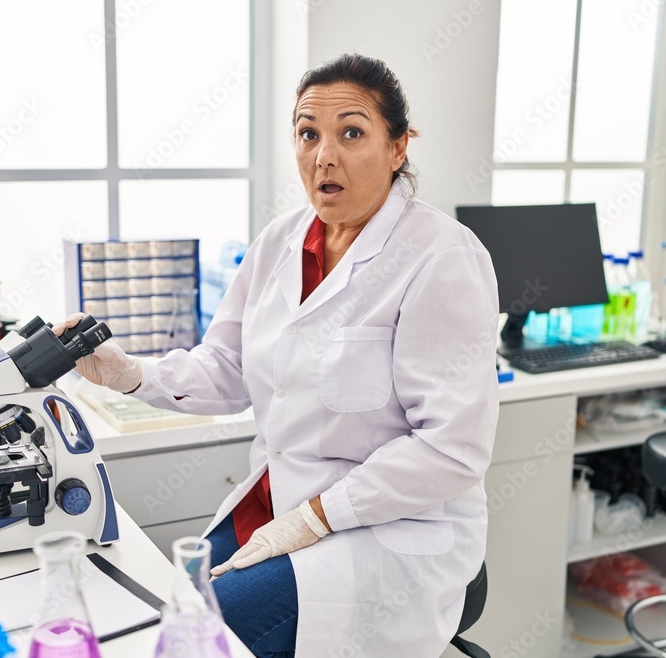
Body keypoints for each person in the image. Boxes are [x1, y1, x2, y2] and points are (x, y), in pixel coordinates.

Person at [57, 53, 499, 657]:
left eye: (351, 132)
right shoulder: (279, 243)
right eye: (308, 133)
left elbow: (451, 450)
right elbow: (230, 367)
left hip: (392, 532)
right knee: (170, 622)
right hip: (278, 502)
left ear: (398, 148)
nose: (325, 156)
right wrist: (134, 375)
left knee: (204, 639)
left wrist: (317, 517)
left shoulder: (443, 258)